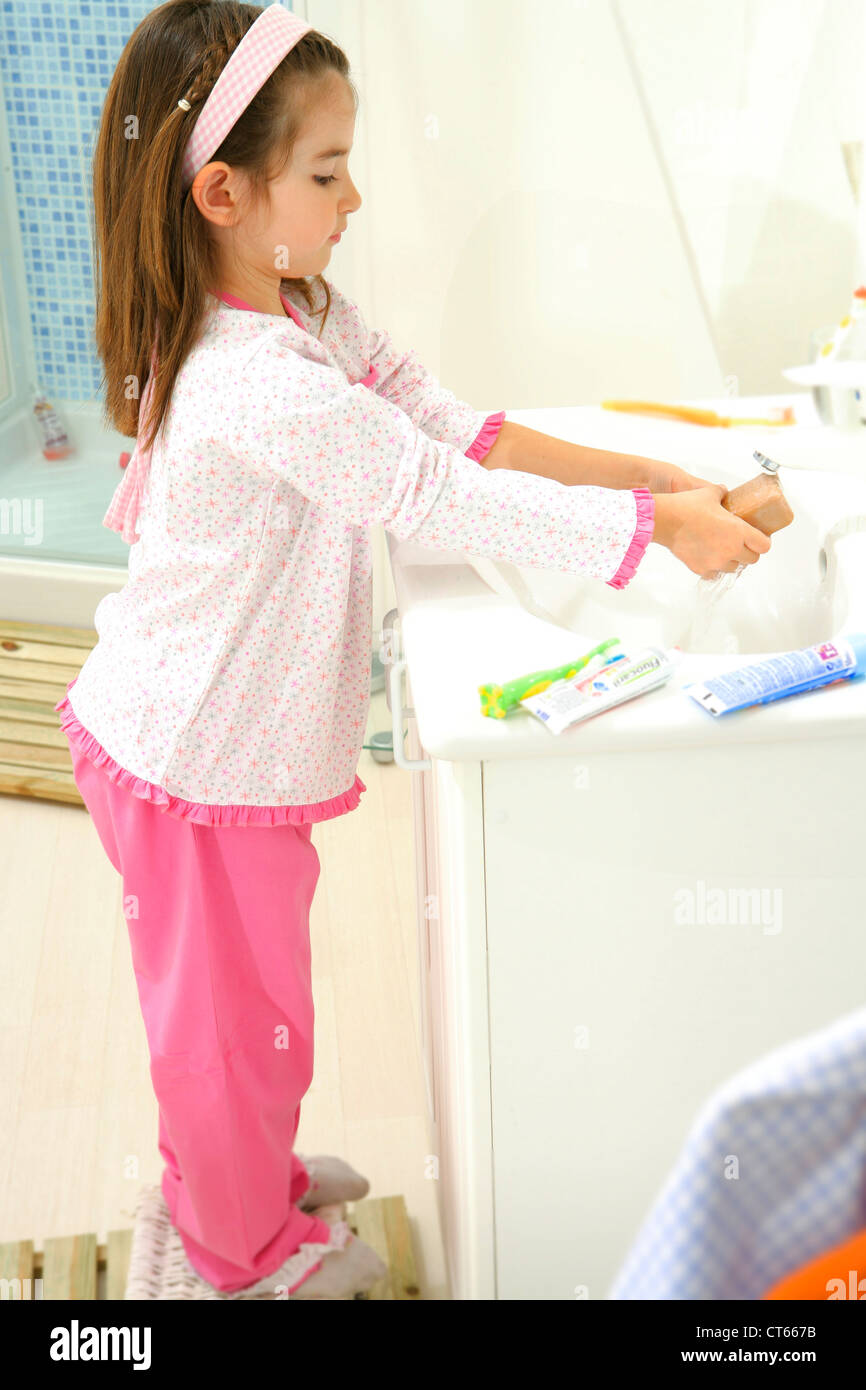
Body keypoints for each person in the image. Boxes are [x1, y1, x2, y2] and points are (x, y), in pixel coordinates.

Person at [58, 0, 771, 1300]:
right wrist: (647, 532)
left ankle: (242, 1182)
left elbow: (453, 427)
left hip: (207, 748)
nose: (356, 196)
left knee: (247, 1018)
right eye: (326, 172)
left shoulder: (305, 312)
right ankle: (239, 1253)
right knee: (226, 1035)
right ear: (223, 190)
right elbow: (428, 493)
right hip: (192, 764)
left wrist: (644, 476)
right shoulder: (257, 378)